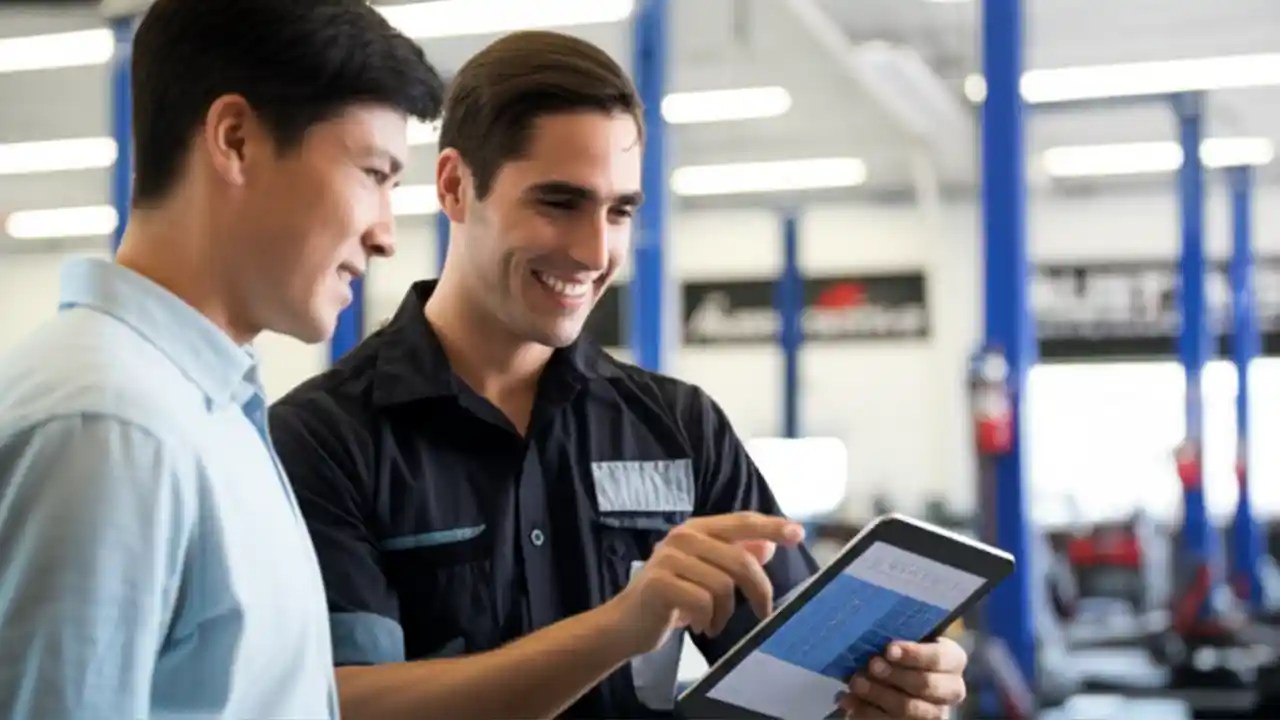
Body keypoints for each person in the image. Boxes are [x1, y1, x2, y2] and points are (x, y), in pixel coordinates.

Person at [270, 29, 967, 720]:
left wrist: (885, 693)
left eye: (621, 211)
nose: (595, 250)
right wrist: (617, 628)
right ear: (456, 186)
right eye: (559, 203)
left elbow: (799, 690)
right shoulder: (325, 438)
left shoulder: (681, 429)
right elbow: (342, 703)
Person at [0, 1, 443, 718]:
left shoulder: (201, 408)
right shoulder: (113, 428)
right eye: (373, 173)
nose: (386, 234)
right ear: (235, 139)